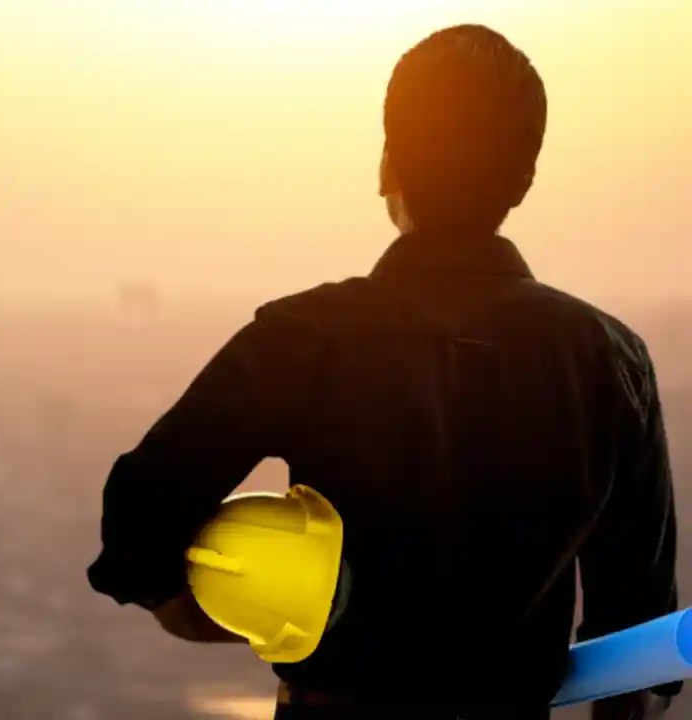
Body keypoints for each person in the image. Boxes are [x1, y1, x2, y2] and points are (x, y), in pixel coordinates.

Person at [86, 24, 679, 720]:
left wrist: (204, 610)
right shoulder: (609, 359)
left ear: (388, 165)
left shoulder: (304, 338)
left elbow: (141, 514)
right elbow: (640, 646)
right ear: (524, 178)